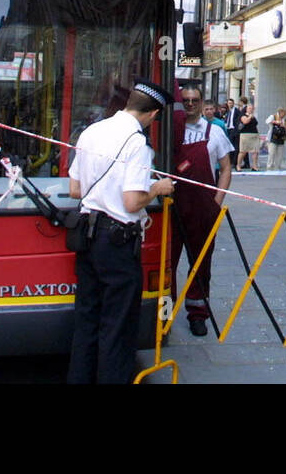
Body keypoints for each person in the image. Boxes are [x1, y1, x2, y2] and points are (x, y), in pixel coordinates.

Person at [66, 80, 175, 385]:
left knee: (87, 319)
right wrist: (158, 187)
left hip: (86, 235)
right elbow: (131, 201)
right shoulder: (137, 144)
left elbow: (75, 190)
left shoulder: (91, 131)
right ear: (153, 114)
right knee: (117, 325)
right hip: (117, 243)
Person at [170, 87, 232, 337]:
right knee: (167, 263)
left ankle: (197, 313)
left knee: (201, 263)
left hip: (203, 209)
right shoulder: (171, 131)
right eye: (185, 100)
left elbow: (226, 168)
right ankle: (164, 316)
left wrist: (216, 201)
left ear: (203, 103)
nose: (190, 104)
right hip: (172, 207)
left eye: (195, 100)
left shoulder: (214, 132)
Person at [237, 102, 260, 171]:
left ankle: (254, 166)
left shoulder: (253, 116)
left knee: (255, 151)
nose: (251, 110)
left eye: (252, 108)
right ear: (246, 109)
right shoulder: (243, 115)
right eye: (249, 108)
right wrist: (250, 116)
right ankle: (238, 165)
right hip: (245, 135)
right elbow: (245, 122)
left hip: (254, 134)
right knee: (243, 151)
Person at [223, 98, 241, 168]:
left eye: (231, 103)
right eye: (229, 103)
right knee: (229, 146)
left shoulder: (237, 111)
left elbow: (239, 120)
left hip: (234, 130)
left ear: (233, 103)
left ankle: (234, 162)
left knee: (235, 146)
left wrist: (237, 129)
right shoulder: (228, 111)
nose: (230, 104)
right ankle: (230, 161)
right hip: (228, 129)